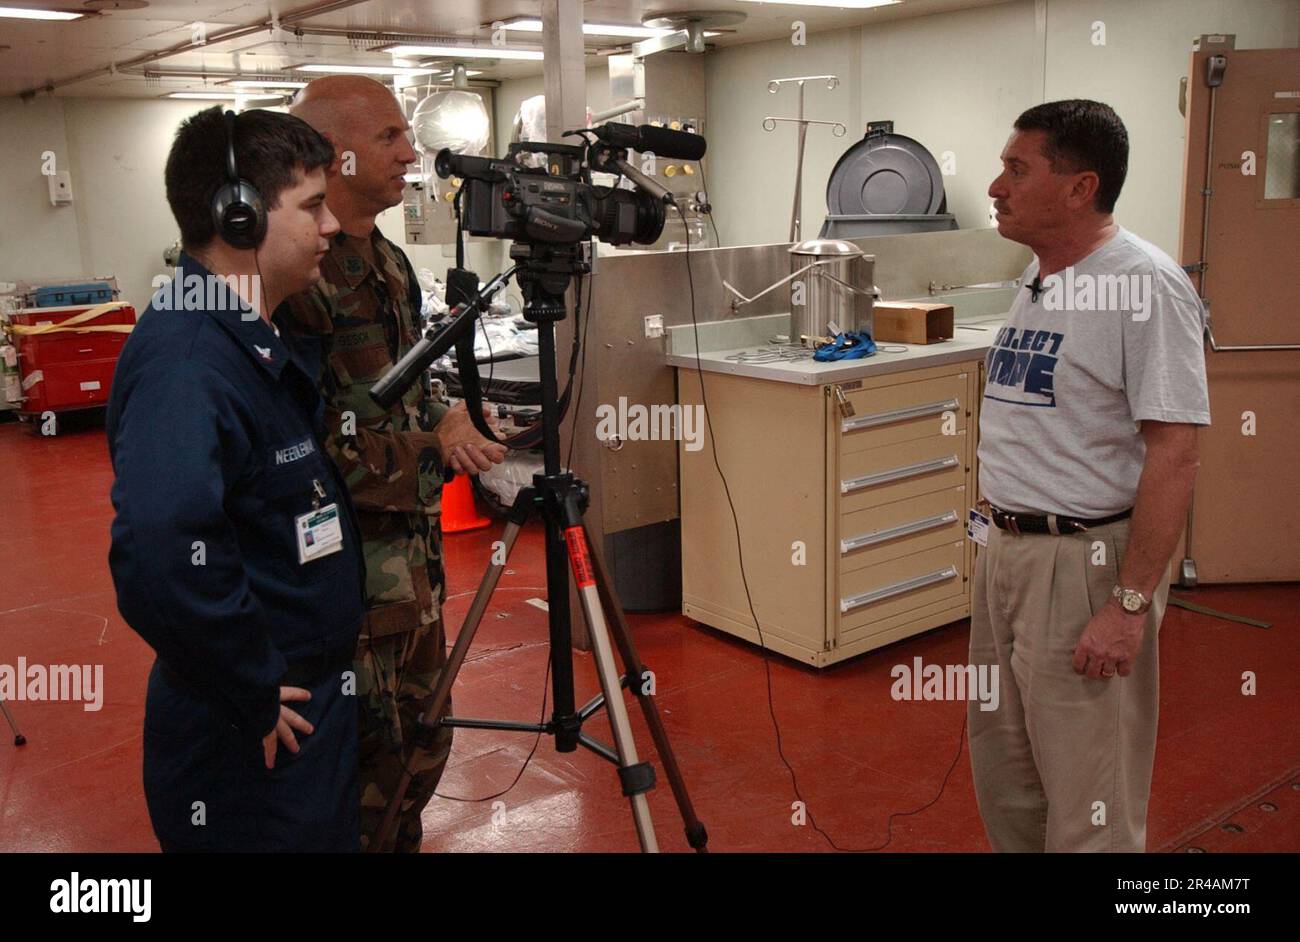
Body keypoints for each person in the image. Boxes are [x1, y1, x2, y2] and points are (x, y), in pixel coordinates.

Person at [107, 106, 365, 851]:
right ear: (240, 217)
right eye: (311, 206)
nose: (331, 227)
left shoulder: (247, 332)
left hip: (297, 707)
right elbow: (161, 553)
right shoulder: (188, 361)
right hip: (252, 732)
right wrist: (246, 686)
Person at [970, 99, 1211, 852]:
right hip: (1006, 557)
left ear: (1080, 188)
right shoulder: (1037, 278)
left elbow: (1175, 452)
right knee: (1009, 785)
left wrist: (1130, 606)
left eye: (1017, 169)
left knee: (1090, 806)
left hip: (1084, 568)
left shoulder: (1145, 285)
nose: (995, 187)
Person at [282, 76, 507, 852]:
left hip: (410, 571)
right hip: (348, 584)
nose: (411, 153)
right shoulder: (298, 285)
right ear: (337, 157)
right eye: (389, 138)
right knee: (364, 768)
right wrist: (431, 452)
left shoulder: (388, 260)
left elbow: (408, 382)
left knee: (420, 744)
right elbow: (308, 449)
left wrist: (446, 412)